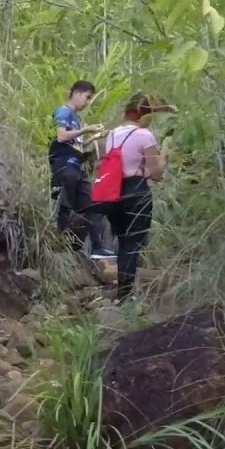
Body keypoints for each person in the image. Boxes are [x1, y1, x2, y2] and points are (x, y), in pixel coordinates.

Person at [98, 93, 175, 303]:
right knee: (134, 243)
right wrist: (166, 151)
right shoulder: (144, 135)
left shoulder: (113, 134)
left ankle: (122, 291)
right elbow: (157, 173)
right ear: (143, 114)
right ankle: (125, 295)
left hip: (114, 191)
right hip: (135, 190)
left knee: (123, 241)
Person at [48, 81, 114, 261]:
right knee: (64, 205)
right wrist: (86, 129)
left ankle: (97, 247)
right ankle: (60, 247)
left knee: (91, 205)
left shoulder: (76, 118)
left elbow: (76, 144)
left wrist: (92, 137)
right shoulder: (63, 111)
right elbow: (61, 136)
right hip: (64, 165)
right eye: (87, 97)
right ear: (76, 93)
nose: (87, 102)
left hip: (77, 166)